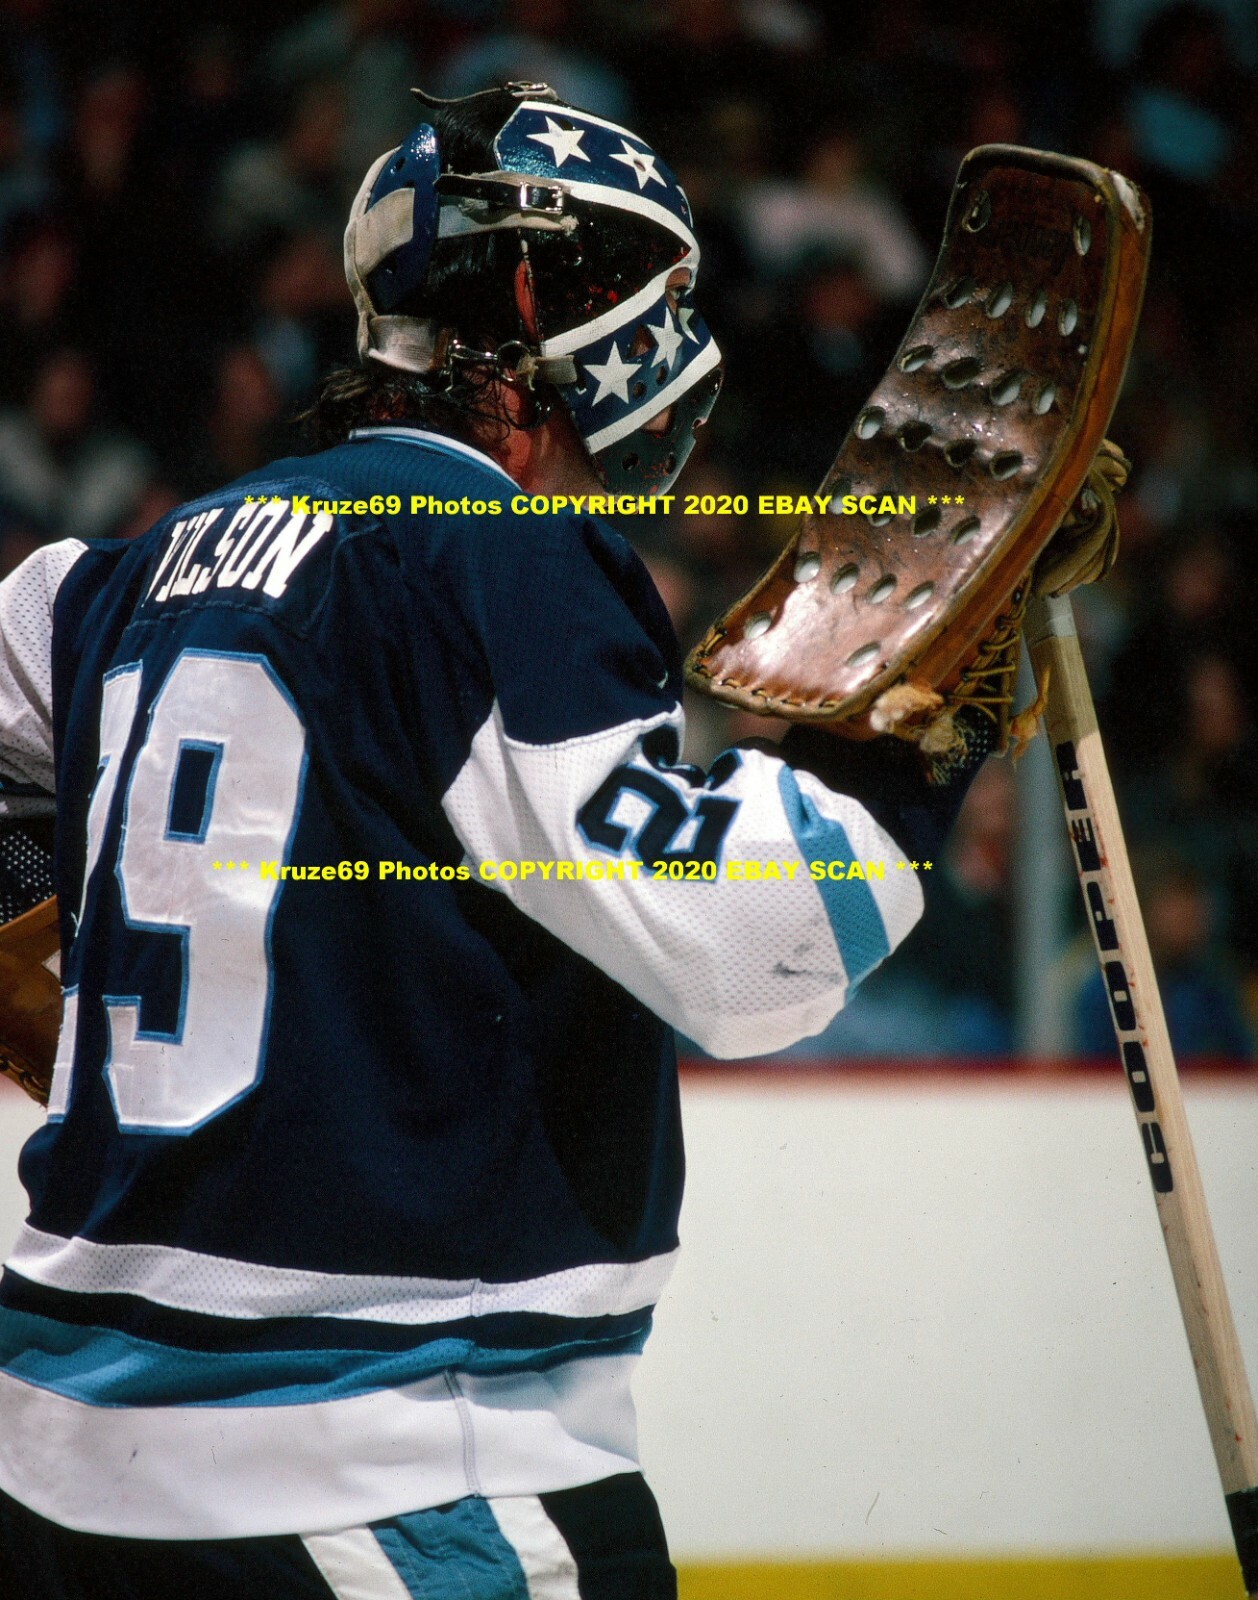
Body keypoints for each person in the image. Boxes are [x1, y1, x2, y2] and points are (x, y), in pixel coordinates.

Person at [0, 84, 989, 1598]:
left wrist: (25, 900)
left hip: (52, 1469)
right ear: (536, 292)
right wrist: (928, 743)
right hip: (373, 1466)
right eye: (656, 290)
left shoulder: (121, 571)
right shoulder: (502, 557)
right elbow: (747, 952)